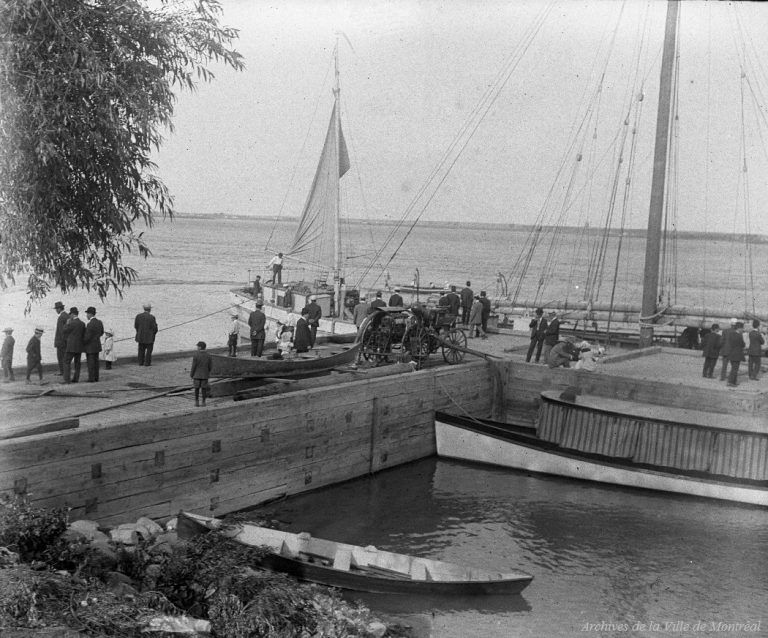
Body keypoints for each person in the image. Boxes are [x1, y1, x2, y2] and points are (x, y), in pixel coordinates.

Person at [62, 307, 85, 383]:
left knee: (66, 362)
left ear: (72, 314)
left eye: (70, 315)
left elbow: (64, 331)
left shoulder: (71, 323)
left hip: (71, 346)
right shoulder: (82, 323)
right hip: (79, 346)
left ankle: (67, 380)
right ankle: (76, 379)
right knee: (77, 363)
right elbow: (83, 335)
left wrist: (66, 324)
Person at [83, 306, 104, 382]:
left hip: (90, 347)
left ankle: (91, 378)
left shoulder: (90, 324)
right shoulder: (99, 322)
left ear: (90, 314)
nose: (86, 315)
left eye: (87, 314)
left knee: (90, 363)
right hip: (97, 345)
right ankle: (96, 377)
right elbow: (101, 332)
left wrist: (83, 342)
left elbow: (87, 337)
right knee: (96, 363)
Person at [190, 341, 212, 407]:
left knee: (196, 389)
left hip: (196, 375)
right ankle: (203, 402)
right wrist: (207, 372)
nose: (197, 347)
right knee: (204, 389)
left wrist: (191, 374)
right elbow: (210, 367)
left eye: (197, 346)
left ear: (200, 347)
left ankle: (196, 402)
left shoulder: (196, 355)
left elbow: (193, 366)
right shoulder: (208, 355)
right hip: (205, 375)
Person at [726, 321, 745, 387]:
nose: (743, 329)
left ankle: (733, 382)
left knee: (733, 368)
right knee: (735, 369)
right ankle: (731, 382)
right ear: (739, 328)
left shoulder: (731, 334)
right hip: (737, 354)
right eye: (742, 328)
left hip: (731, 353)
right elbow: (742, 344)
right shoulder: (739, 336)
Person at [53, 301, 69, 376]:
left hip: (61, 342)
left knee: (60, 357)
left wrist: (61, 341)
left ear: (59, 308)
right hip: (66, 341)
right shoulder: (67, 315)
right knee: (65, 358)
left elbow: (61, 331)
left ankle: (62, 372)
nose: (56, 310)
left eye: (56, 309)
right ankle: (64, 371)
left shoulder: (61, 317)